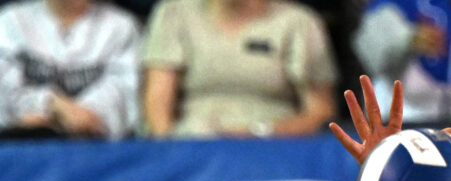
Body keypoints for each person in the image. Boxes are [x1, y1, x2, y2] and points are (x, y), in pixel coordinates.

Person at [140, 0, 337, 138]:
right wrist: (172, 154)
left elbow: (320, 111)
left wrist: (261, 132)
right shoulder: (173, 14)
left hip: (276, 147)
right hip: (193, 144)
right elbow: (158, 111)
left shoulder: (300, 22)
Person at [0, 0, 140, 139]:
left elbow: (122, 95)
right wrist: (50, 104)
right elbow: (6, 93)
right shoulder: (9, 21)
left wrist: (79, 115)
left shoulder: (122, 27)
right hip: (22, 141)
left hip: (95, 144)